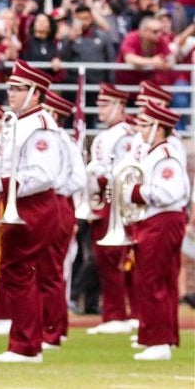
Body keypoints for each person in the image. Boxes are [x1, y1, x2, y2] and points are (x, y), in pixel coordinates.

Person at [0, 61, 66, 364]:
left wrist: (7, 185)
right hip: (21, 202)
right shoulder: (19, 122)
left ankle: (25, 344)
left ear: (35, 93)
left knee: (19, 272)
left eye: (18, 88)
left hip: (32, 204)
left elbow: (43, 173)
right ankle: (26, 340)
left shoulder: (40, 126)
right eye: (10, 87)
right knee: (17, 273)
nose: (11, 93)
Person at [125, 102, 189, 361]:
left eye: (144, 125)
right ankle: (157, 335)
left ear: (158, 129)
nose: (139, 129)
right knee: (154, 279)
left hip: (162, 220)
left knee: (153, 279)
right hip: (156, 219)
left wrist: (134, 192)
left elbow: (168, 192)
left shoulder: (165, 156)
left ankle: (159, 342)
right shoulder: (157, 153)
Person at [83, 82, 135, 334]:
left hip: (117, 202)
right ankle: (113, 312)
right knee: (103, 259)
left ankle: (118, 314)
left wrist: (100, 175)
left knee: (114, 259)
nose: (99, 109)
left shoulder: (125, 135)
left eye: (105, 104)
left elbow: (124, 170)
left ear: (119, 106)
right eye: (99, 104)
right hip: (103, 200)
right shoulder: (105, 135)